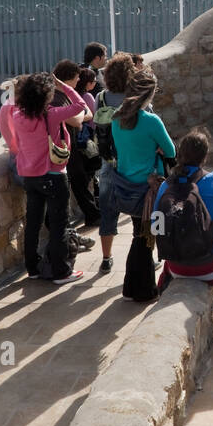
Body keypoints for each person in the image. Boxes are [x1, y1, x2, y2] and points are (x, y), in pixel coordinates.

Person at [102, 67, 176, 301]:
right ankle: (143, 291)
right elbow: (171, 151)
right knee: (145, 238)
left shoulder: (117, 118)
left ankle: (131, 288)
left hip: (126, 187)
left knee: (140, 235)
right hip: (149, 190)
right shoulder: (151, 121)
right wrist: (156, 148)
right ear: (151, 93)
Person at [153, 128, 213, 300]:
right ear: (205, 156)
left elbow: (156, 226)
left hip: (175, 268)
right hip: (211, 270)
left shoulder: (165, 186)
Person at [10, 70, 88, 284]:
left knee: (33, 224)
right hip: (53, 175)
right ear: (46, 94)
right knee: (58, 225)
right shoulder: (51, 114)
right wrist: (65, 87)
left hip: (30, 177)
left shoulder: (17, 116)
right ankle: (61, 272)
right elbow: (81, 106)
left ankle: (33, 268)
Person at [93, 52, 136, 272]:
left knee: (108, 212)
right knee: (140, 213)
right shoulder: (136, 98)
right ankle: (143, 256)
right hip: (133, 162)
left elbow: (95, 125)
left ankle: (106, 258)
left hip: (108, 160)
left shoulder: (100, 98)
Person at [65, 64, 101, 229]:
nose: (78, 79)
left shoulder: (70, 96)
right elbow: (87, 116)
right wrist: (82, 117)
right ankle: (92, 215)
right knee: (82, 181)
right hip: (76, 145)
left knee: (81, 181)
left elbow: (86, 114)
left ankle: (92, 214)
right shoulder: (78, 97)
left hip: (74, 143)